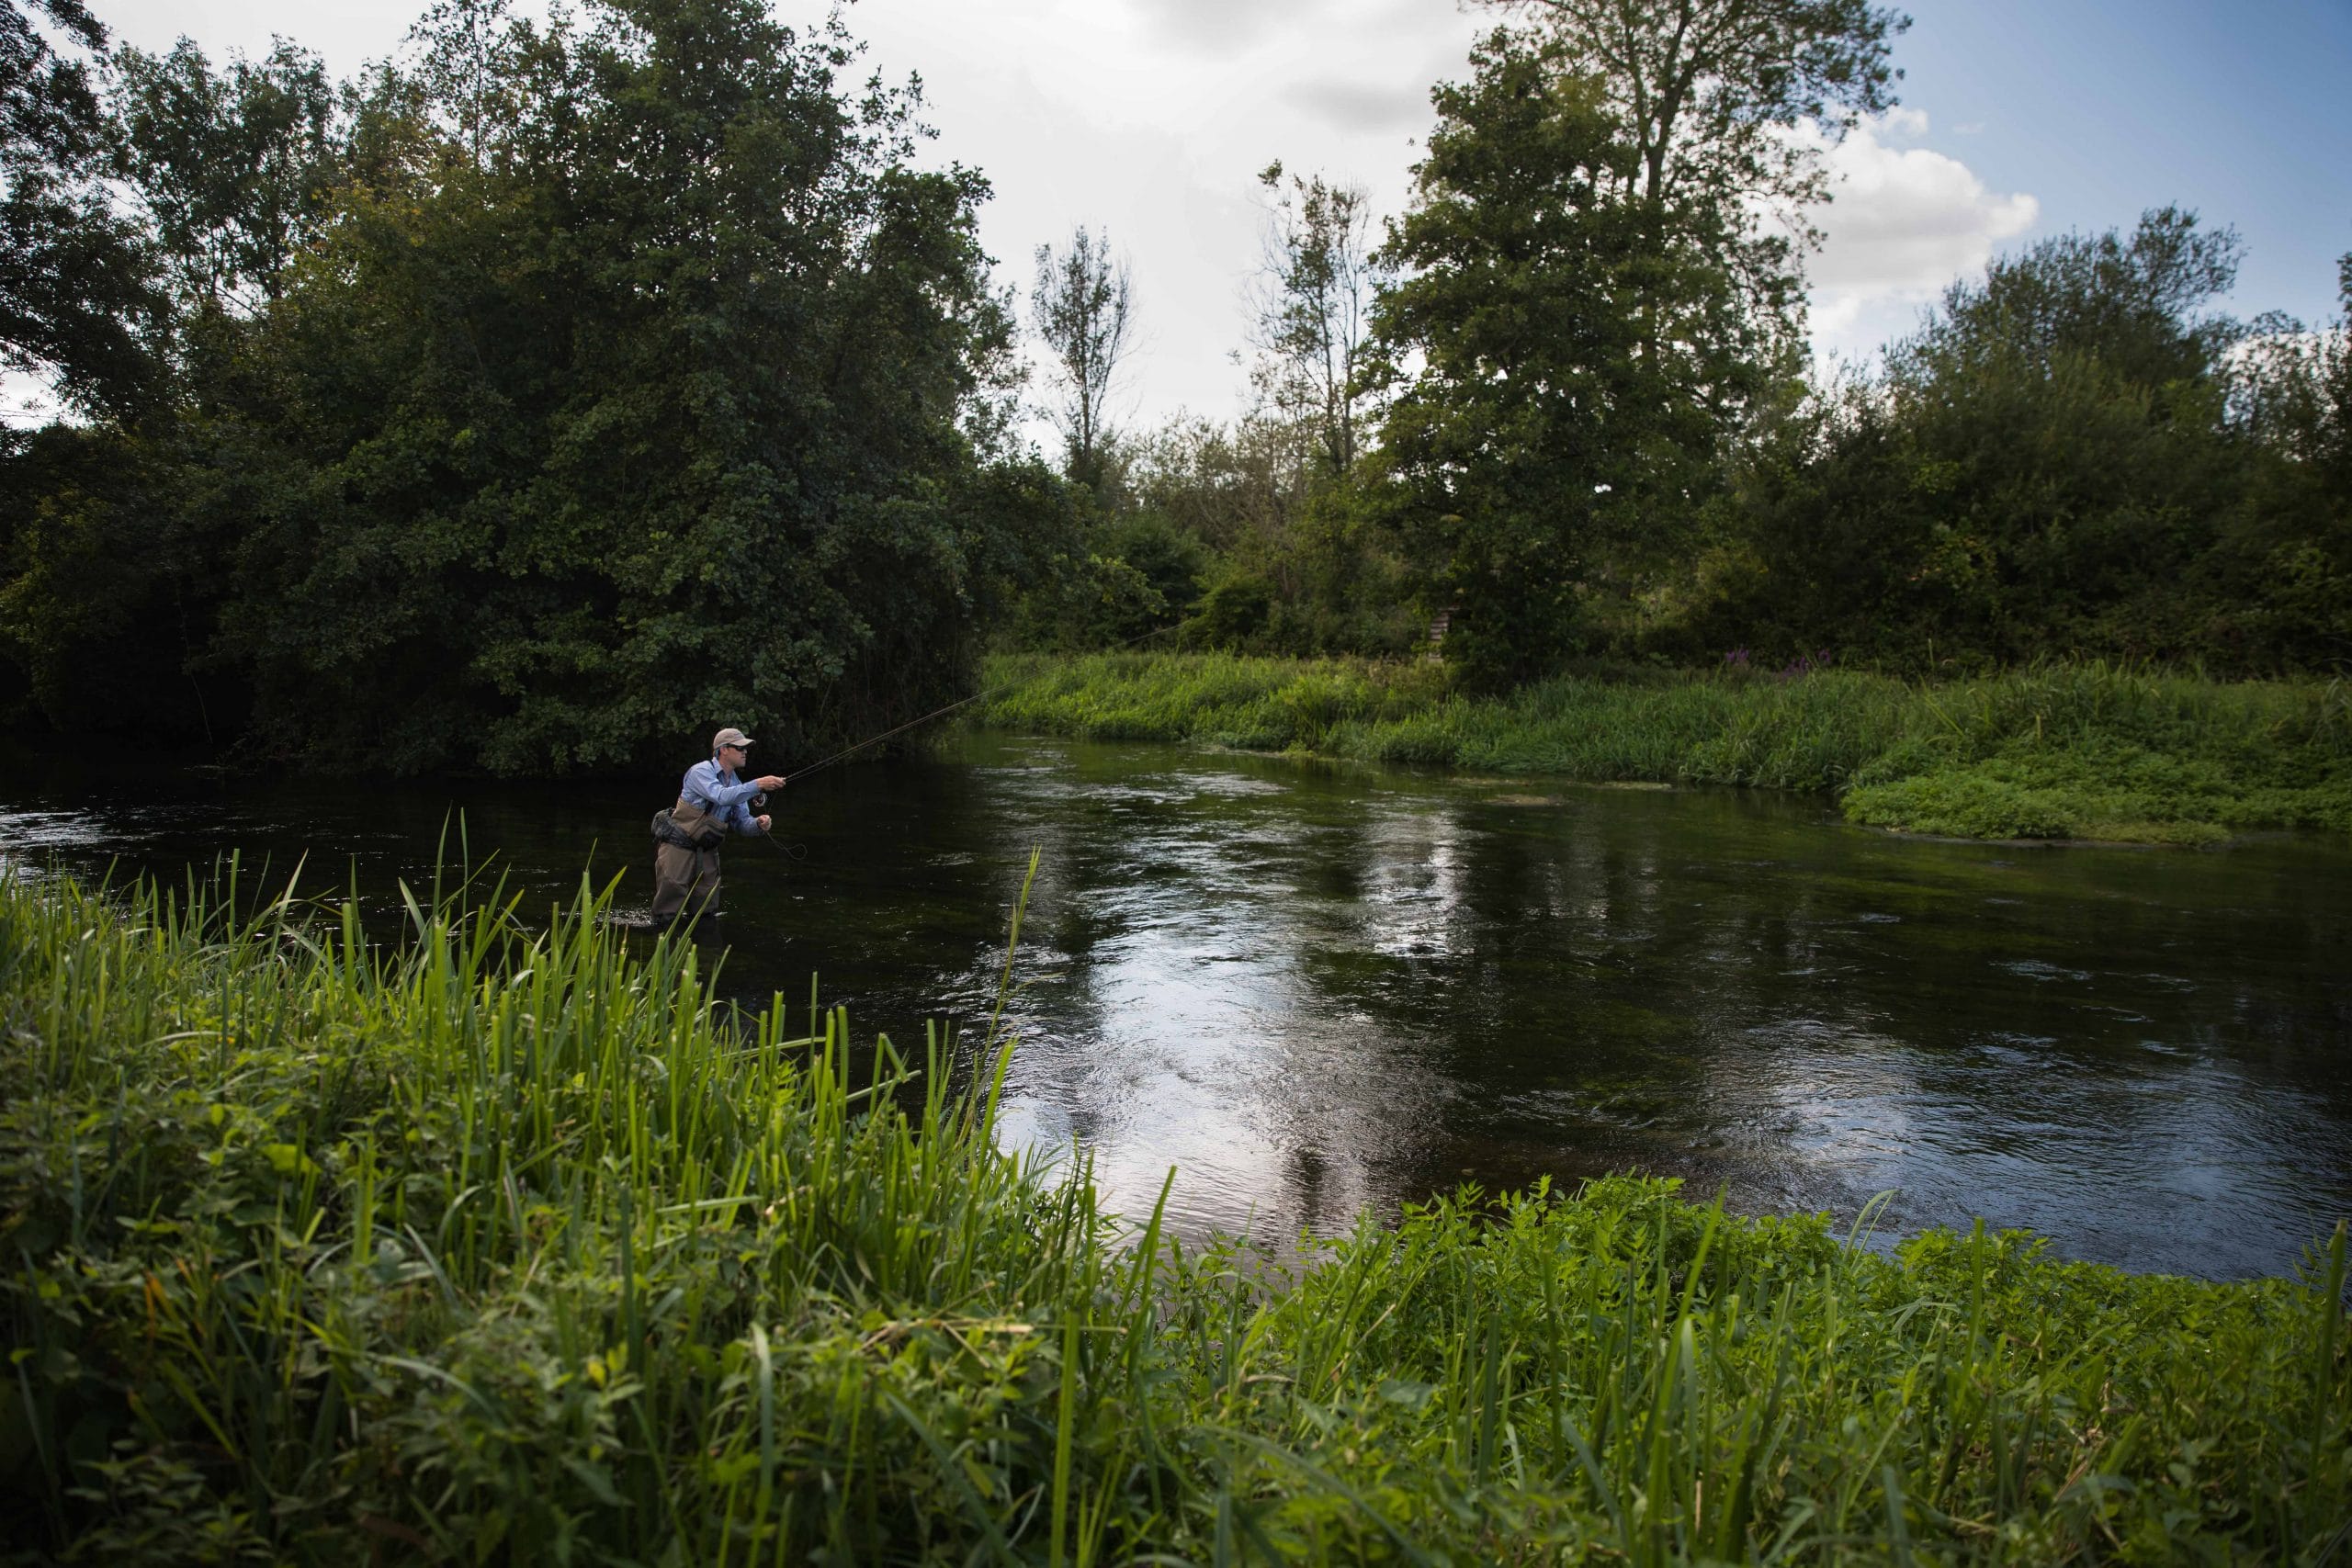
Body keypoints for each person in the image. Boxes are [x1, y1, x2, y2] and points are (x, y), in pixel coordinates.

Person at [650, 727, 785, 926]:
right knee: (667, 913)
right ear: (723, 750)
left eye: (746, 748)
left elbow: (741, 823)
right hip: (678, 846)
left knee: (706, 911)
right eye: (740, 748)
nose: (745, 751)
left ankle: (703, 954)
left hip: (707, 850)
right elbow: (720, 796)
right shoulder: (700, 771)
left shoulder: (737, 784)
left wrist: (759, 824)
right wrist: (757, 784)